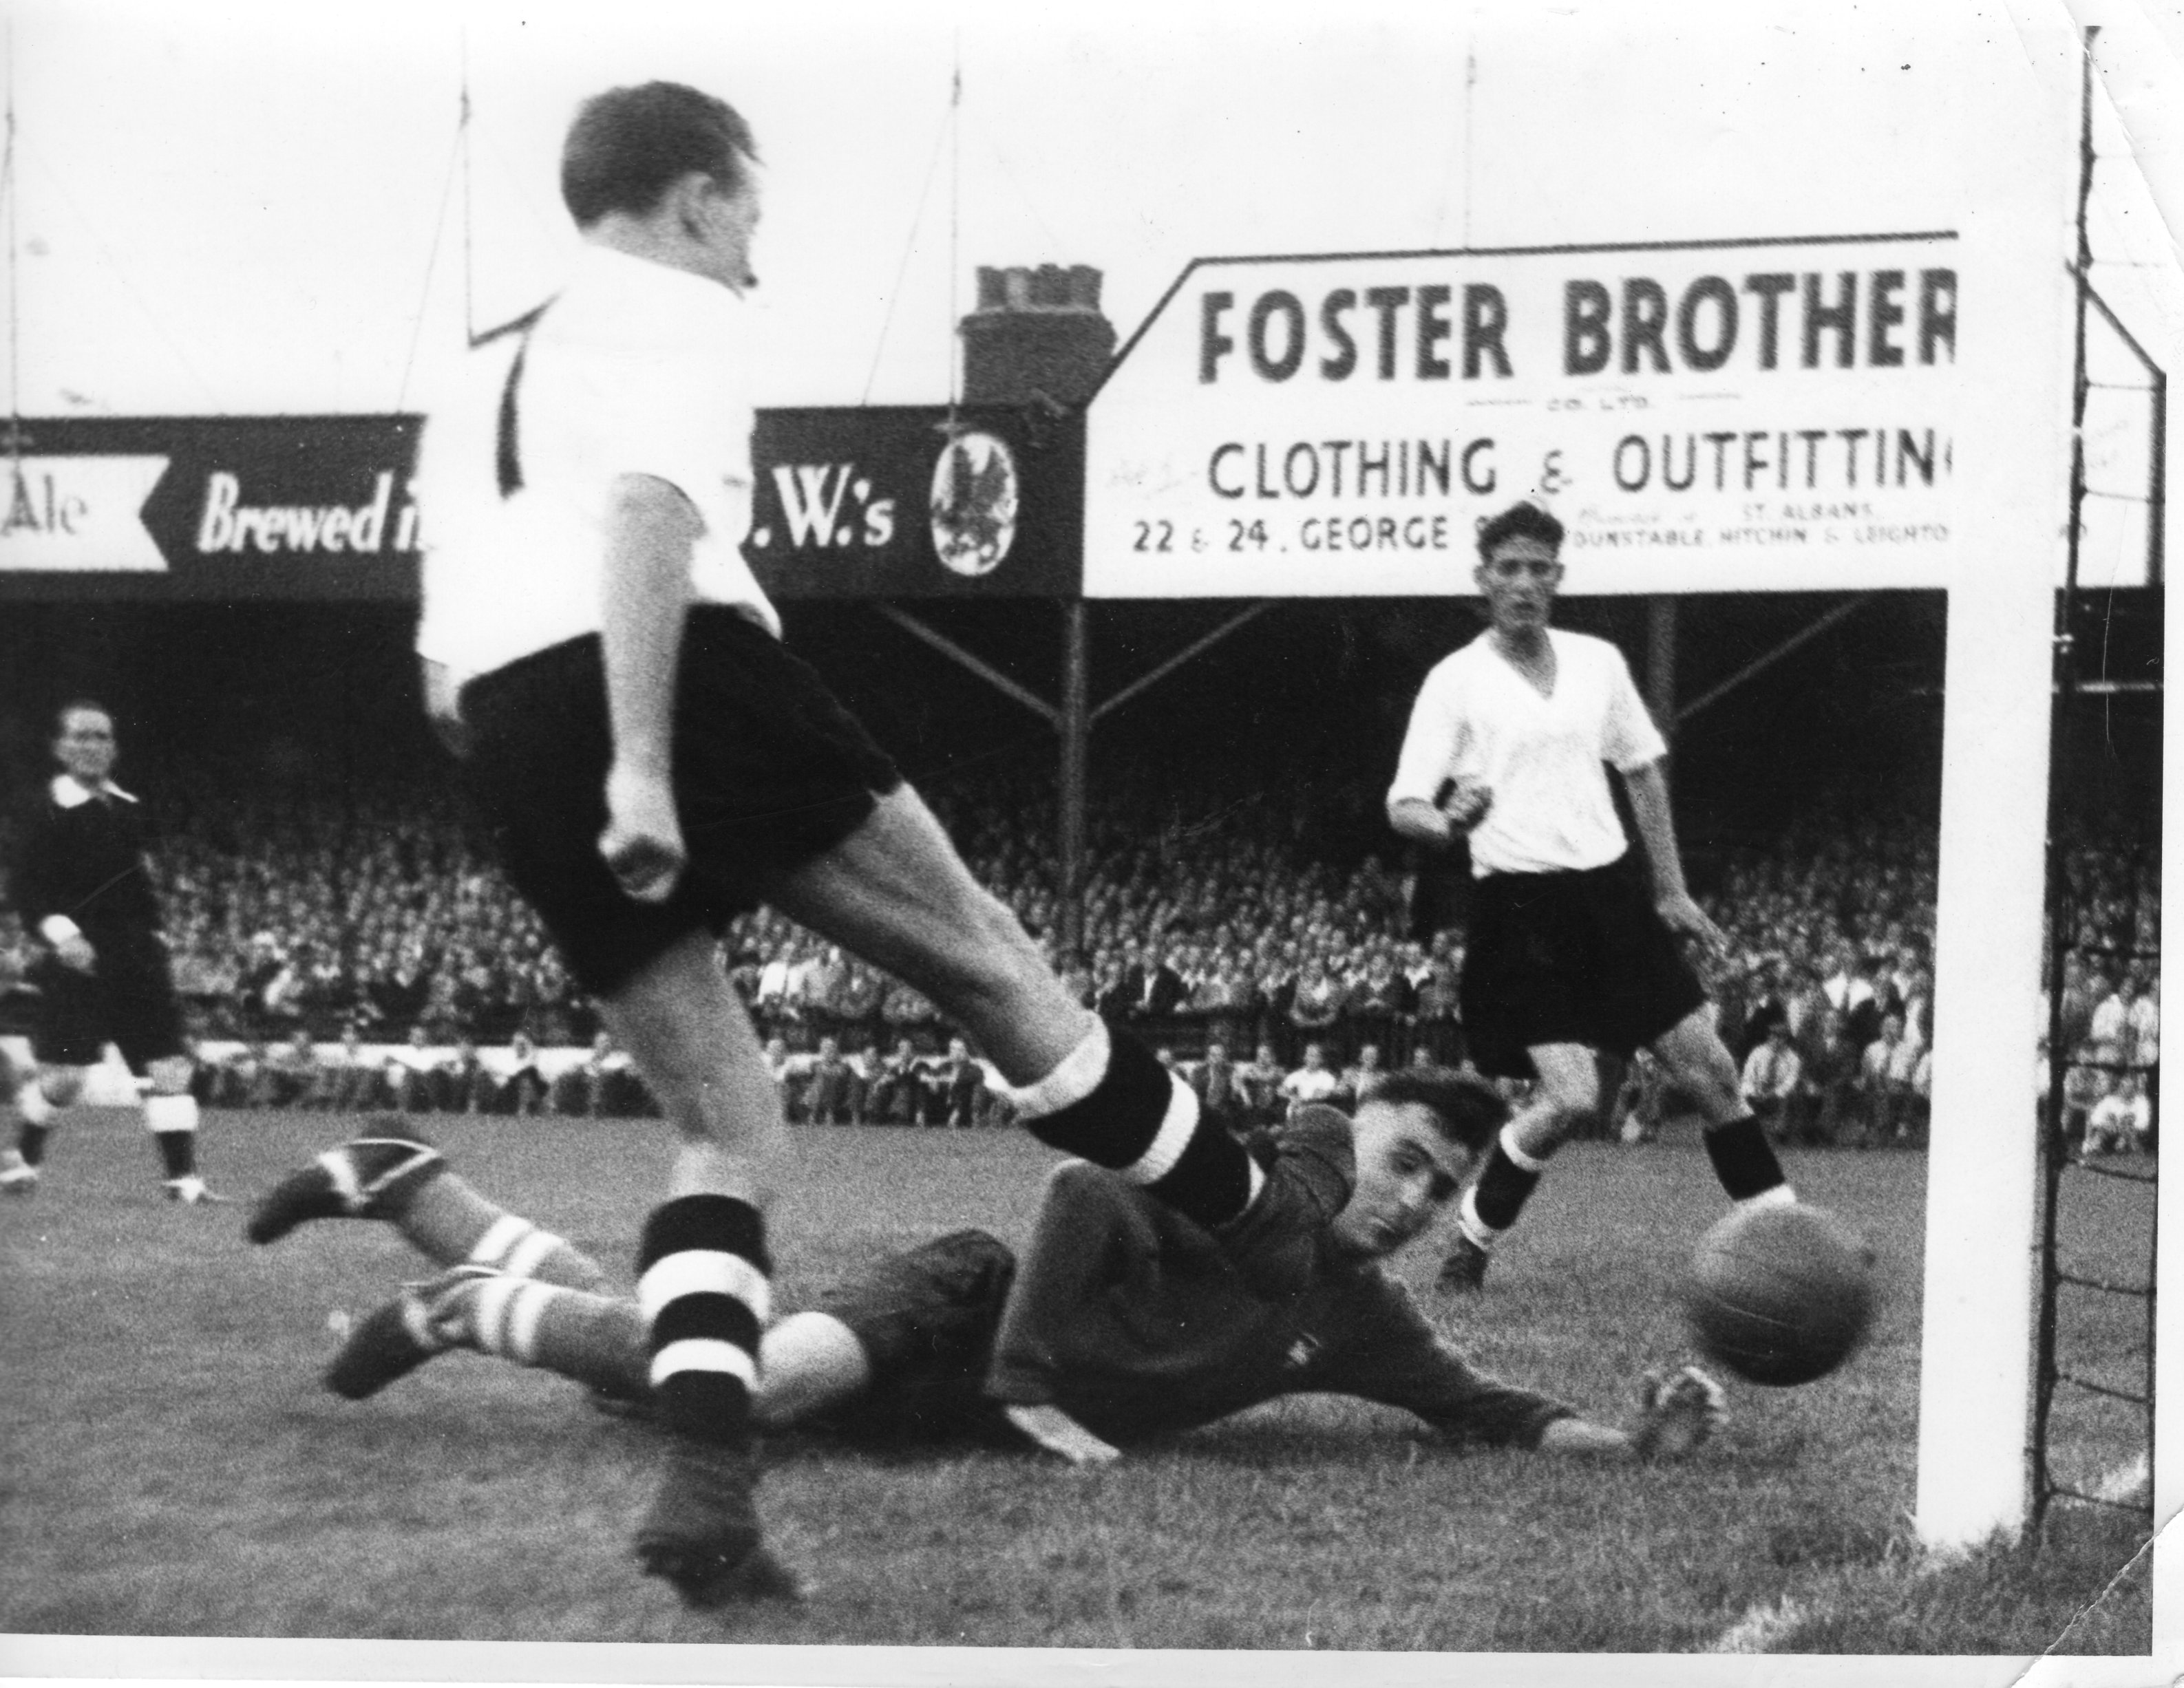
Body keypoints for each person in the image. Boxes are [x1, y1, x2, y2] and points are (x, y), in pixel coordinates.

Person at [395, 79, 1302, 1604]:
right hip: (673, 676)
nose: (754, 244)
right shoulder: (674, 312)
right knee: (991, 963)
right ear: (693, 198)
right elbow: (645, 513)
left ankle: (706, 1472)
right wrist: (637, 755)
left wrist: (570, 769)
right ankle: (1267, 1227)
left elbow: (438, 675)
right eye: (748, 208)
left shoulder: (478, 367)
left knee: (725, 1119)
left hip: (504, 720)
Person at [259, 1072, 1726, 1484]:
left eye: (1437, 1183)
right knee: (740, 1382)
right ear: (1344, 1142)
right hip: (962, 1307)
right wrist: (1026, 1386)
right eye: (1401, 1156)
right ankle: (456, 1307)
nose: (1411, 1199)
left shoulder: (1356, 1315)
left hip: (946, 1406)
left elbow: (1490, 1410)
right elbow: (1081, 1178)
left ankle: (418, 1186)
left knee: (662, 1365)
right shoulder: (1239, 1190)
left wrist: (1630, 1439)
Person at [1386, 502, 1795, 1293]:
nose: (1524, 582)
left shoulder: (1597, 661)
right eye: (1508, 568)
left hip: (1609, 898)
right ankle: (1473, 1235)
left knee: (1710, 1071)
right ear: (1482, 579)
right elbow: (1403, 803)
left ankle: (1787, 1240)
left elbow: (1640, 769)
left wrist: (1668, 887)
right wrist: (1445, 822)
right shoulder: (1454, 680)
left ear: (1557, 578)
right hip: (1518, 910)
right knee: (1572, 1097)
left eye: (1539, 567)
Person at [0, 701, 212, 1203]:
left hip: (138, 957)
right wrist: (62, 935)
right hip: (77, 959)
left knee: (169, 1067)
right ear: (60, 746)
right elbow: (28, 888)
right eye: (81, 736)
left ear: (114, 748)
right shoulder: (43, 807)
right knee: (66, 1081)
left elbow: (139, 885)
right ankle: (21, 1160)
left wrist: (160, 937)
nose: (92, 745)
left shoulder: (129, 807)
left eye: (101, 737)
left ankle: (183, 1181)